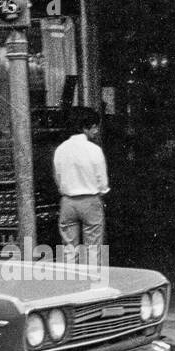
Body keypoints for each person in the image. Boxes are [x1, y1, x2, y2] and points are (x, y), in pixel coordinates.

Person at [53, 107, 109, 257]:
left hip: (67, 202)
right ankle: (92, 278)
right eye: (95, 127)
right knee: (93, 249)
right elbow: (102, 181)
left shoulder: (60, 149)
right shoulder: (94, 149)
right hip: (90, 201)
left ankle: (71, 279)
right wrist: (102, 192)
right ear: (85, 127)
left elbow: (58, 177)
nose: (96, 131)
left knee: (69, 249)